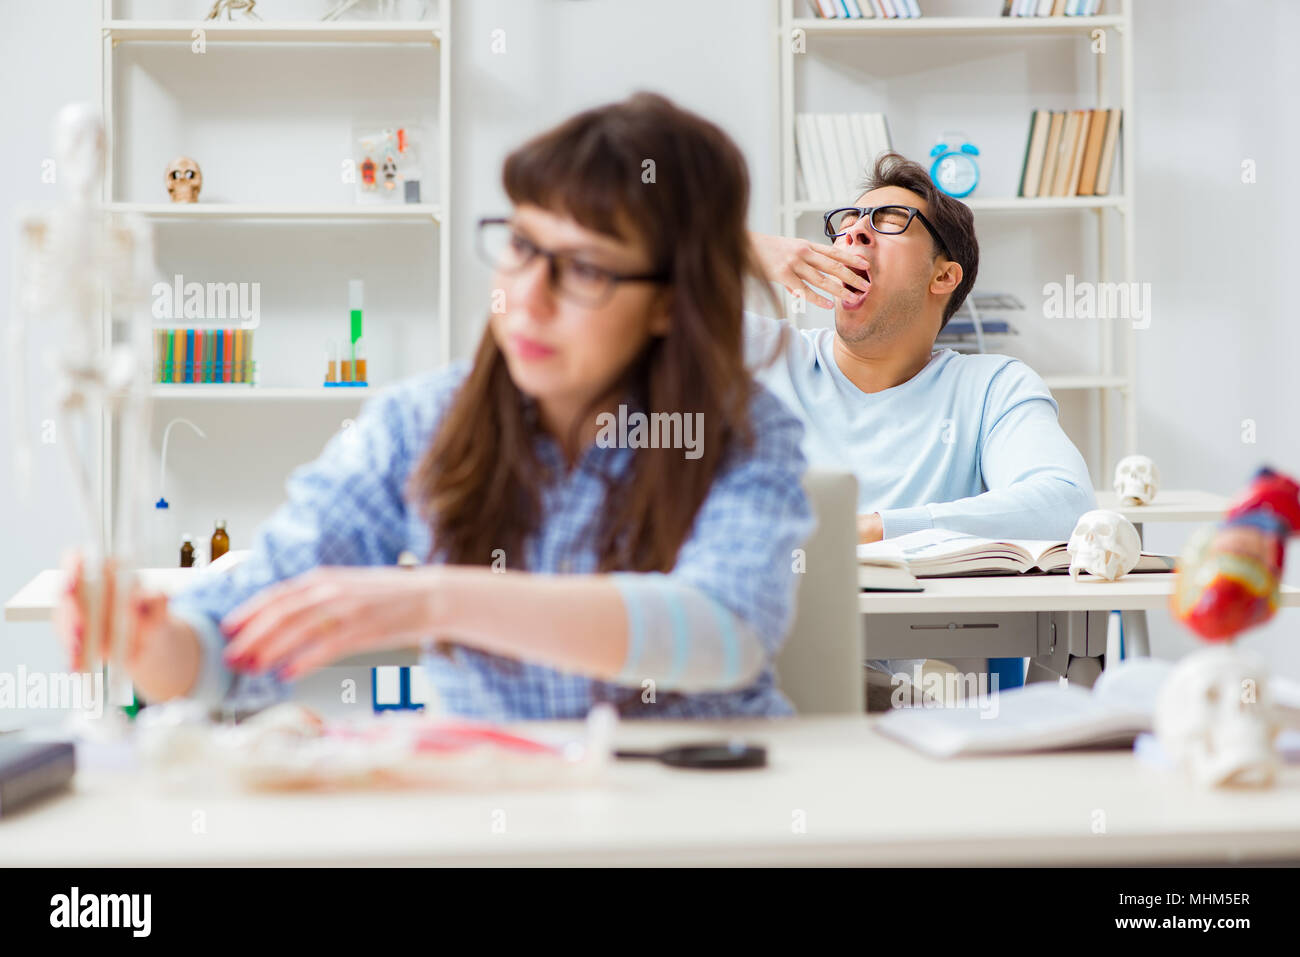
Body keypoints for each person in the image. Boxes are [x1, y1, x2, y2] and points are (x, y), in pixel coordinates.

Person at [54, 92, 814, 720]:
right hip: (496, 818)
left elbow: (726, 629)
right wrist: (148, 643)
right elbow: (221, 649)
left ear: (671, 303)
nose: (526, 297)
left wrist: (435, 598)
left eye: (583, 268)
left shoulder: (741, 431)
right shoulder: (419, 423)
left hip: (698, 819)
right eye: (520, 246)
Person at [746, 152, 1096, 697]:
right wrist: (745, 249)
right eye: (847, 223)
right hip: (764, 677)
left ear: (944, 275)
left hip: (923, 703)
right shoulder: (762, 354)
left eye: (888, 221)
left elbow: (1064, 502)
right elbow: (621, 287)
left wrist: (874, 529)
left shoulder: (991, 386)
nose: (855, 233)